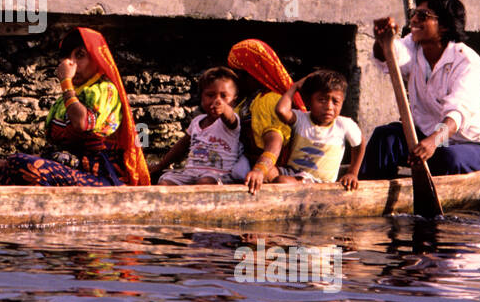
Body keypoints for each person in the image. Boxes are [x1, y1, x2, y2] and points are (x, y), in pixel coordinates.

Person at [0, 27, 150, 187]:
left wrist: (66, 83)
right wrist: (6, 162)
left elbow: (82, 123)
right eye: (67, 57)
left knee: (26, 166)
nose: (71, 63)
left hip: (100, 176)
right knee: (10, 166)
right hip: (73, 168)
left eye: (80, 55)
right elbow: (60, 150)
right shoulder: (68, 99)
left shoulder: (105, 90)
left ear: (97, 60)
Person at [360, 0, 480, 179]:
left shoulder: (467, 62)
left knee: (448, 158)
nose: (414, 20)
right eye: (414, 14)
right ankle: (372, 191)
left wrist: (434, 141)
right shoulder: (413, 45)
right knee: (384, 137)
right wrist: (382, 41)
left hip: (467, 142)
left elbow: (457, 114)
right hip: (425, 135)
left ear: (443, 26)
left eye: (423, 16)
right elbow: (389, 57)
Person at [226, 39, 301, 193]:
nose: (236, 80)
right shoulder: (247, 101)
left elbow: (275, 140)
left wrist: (260, 170)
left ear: (254, 73)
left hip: (268, 168)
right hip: (247, 163)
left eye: (240, 74)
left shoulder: (270, 100)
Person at [152, 67, 250, 185]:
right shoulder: (196, 121)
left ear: (234, 101)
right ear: (202, 97)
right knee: (165, 183)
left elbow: (230, 117)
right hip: (190, 173)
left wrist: (224, 108)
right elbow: (180, 147)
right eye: (210, 95)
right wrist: (161, 165)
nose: (217, 100)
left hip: (219, 175)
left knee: (205, 182)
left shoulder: (231, 122)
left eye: (223, 96)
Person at [273, 69, 365, 189]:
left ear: (342, 102)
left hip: (319, 182)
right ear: (309, 101)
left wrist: (352, 172)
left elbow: (359, 143)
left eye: (335, 101)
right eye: (321, 100)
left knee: (282, 182)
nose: (329, 107)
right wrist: (295, 87)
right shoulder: (302, 119)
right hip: (293, 173)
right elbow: (281, 110)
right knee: (267, 172)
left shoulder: (343, 125)